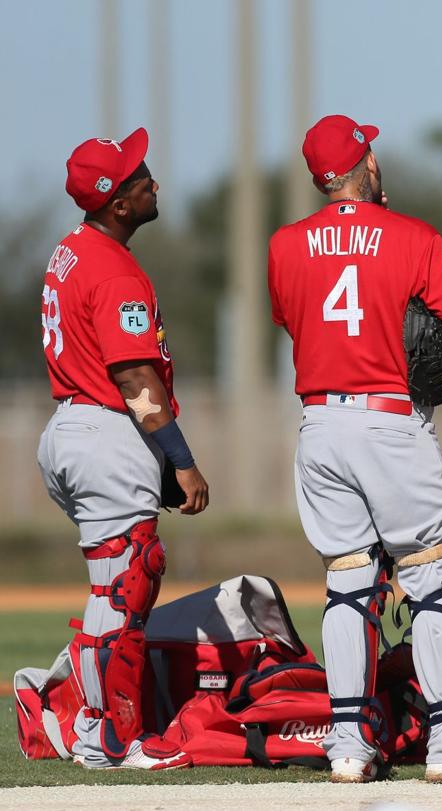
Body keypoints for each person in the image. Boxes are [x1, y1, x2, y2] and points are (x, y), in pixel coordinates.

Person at [267, 114, 442, 783]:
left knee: (349, 582)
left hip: (320, 424)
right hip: (389, 419)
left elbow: (298, 317)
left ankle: (349, 744)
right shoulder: (412, 236)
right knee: (435, 576)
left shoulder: (284, 245)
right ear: (367, 163)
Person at [38, 128, 209, 770]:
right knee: (126, 584)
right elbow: (136, 379)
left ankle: (86, 719)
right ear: (117, 202)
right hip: (105, 431)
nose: (153, 184)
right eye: (140, 178)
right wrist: (182, 459)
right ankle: (108, 734)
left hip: (71, 427)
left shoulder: (72, 250)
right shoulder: (114, 269)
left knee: (113, 588)